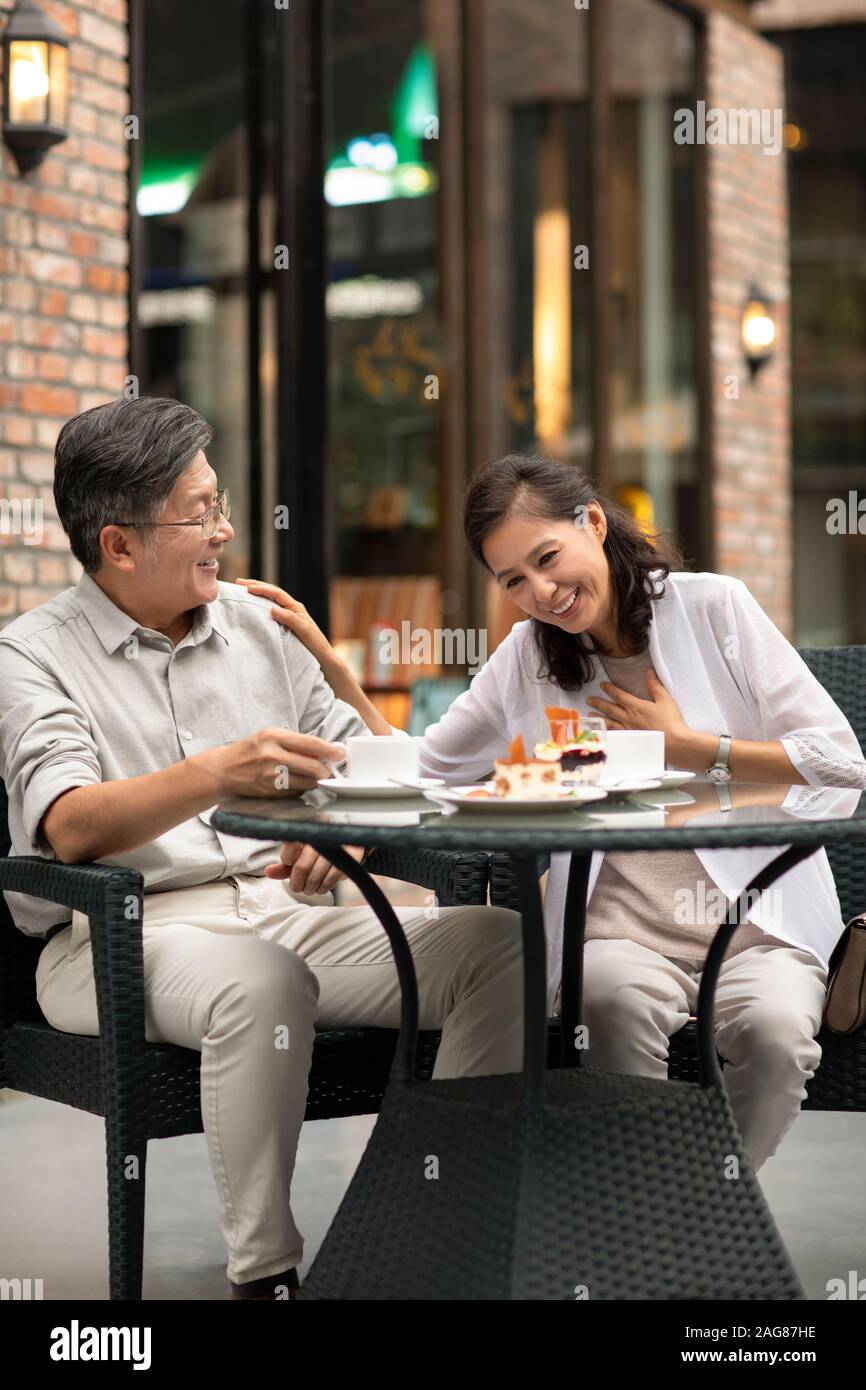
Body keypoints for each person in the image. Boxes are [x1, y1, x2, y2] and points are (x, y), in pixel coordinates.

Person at [0, 398, 525, 1300]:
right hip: (122, 940)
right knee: (260, 980)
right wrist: (216, 772)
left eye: (221, 502)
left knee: (501, 949)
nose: (226, 530)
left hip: (288, 905)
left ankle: (437, 1228)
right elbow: (70, 825)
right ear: (119, 544)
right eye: (199, 513)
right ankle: (266, 1273)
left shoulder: (258, 625)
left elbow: (375, 765)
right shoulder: (29, 656)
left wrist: (346, 823)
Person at [258, 453, 866, 1175]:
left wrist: (694, 748)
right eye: (513, 579)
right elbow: (428, 765)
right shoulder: (528, 658)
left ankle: (691, 1213)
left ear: (595, 523)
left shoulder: (714, 610)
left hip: (757, 927)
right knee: (608, 1005)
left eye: (548, 558)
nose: (542, 591)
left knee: (778, 1041)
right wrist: (331, 665)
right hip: (619, 933)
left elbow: (839, 766)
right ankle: (660, 1221)